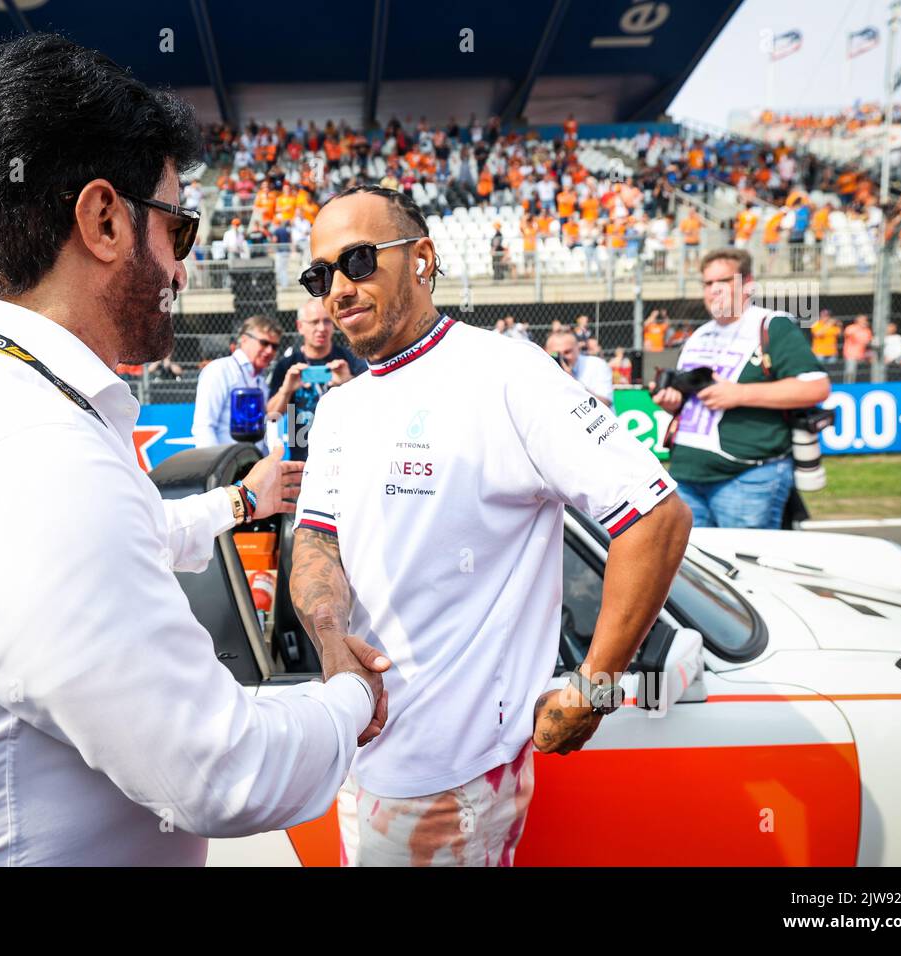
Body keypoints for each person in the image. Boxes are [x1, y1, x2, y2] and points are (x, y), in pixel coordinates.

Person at [0, 34, 388, 868]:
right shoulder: (30, 458)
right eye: (179, 227)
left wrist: (241, 502)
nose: (180, 267)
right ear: (103, 219)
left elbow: (123, 545)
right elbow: (222, 772)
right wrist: (351, 693)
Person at [290, 184, 690, 866]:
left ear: (420, 259)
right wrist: (329, 636)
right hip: (362, 753)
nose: (338, 289)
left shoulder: (507, 374)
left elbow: (656, 516)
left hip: (455, 781)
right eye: (319, 275)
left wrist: (595, 686)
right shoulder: (341, 405)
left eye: (357, 261)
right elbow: (317, 538)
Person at [653, 248, 830, 529]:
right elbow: (693, 401)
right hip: (687, 475)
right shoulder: (699, 334)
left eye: (723, 281)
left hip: (747, 477)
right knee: (692, 571)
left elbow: (816, 387)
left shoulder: (772, 325)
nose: (714, 290)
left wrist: (740, 394)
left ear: (747, 284)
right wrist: (673, 402)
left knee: (746, 569)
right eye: (708, 283)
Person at [267, 298, 364, 461]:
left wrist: (348, 382)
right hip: (300, 453)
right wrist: (287, 390)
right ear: (300, 327)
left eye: (327, 321)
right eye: (314, 322)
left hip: (344, 452)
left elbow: (372, 404)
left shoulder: (350, 360)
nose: (321, 328)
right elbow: (272, 415)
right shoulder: (287, 365)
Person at [191, 314, 282, 451]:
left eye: (274, 346)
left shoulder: (260, 381)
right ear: (244, 340)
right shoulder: (220, 369)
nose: (269, 350)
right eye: (264, 343)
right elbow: (204, 426)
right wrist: (216, 470)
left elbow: (262, 434)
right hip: (225, 465)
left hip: (250, 464)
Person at [546, 330, 615, 407]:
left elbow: (605, 403)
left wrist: (572, 381)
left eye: (567, 352)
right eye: (555, 354)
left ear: (578, 349)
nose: (562, 358)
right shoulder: (543, 371)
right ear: (546, 352)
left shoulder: (596, 365)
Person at [842, 314, 873, 383]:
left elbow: (868, 342)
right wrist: (860, 328)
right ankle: (848, 386)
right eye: (863, 320)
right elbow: (848, 335)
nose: (865, 321)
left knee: (861, 374)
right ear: (857, 321)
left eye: (865, 320)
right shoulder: (851, 328)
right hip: (851, 354)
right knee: (850, 373)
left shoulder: (867, 331)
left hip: (862, 355)